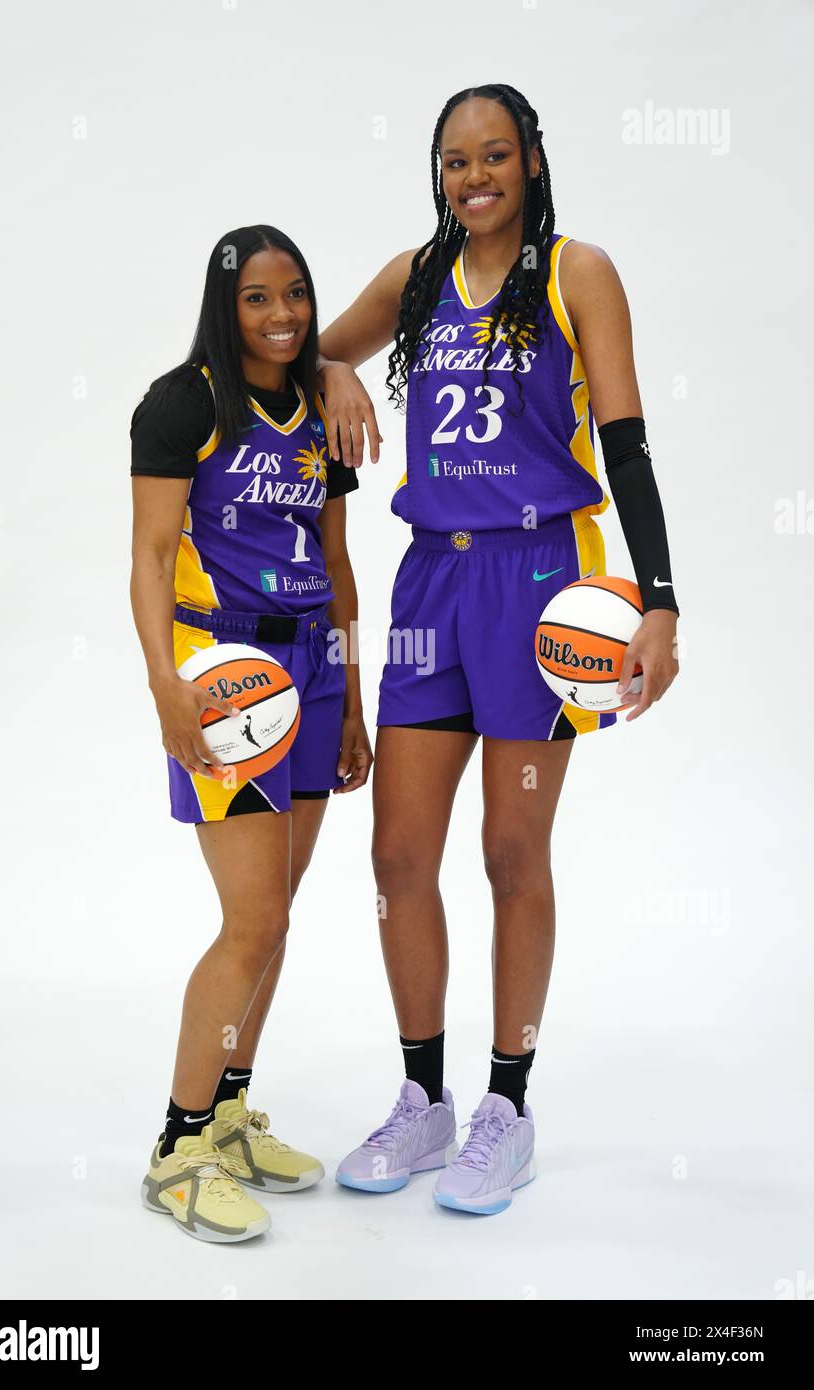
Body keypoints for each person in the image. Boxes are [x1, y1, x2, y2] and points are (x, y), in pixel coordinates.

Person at [316, 84, 680, 1215]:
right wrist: (331, 367)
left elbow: (621, 441)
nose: (471, 177)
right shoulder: (414, 278)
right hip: (430, 577)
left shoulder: (578, 273)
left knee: (510, 854)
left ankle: (505, 1109)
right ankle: (421, 1097)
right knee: (394, 857)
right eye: (452, 161)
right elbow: (305, 356)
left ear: (528, 159)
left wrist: (658, 600)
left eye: (491, 156)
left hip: (536, 584)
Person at [130, 225, 371, 1241]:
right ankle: (177, 1150)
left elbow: (337, 554)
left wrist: (353, 694)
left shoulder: (318, 405)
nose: (281, 315)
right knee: (252, 923)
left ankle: (227, 1114)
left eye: (296, 296)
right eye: (257, 299)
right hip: (226, 675)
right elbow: (147, 556)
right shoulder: (183, 401)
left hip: (312, 670)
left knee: (276, 912)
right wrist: (163, 686)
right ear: (223, 307)